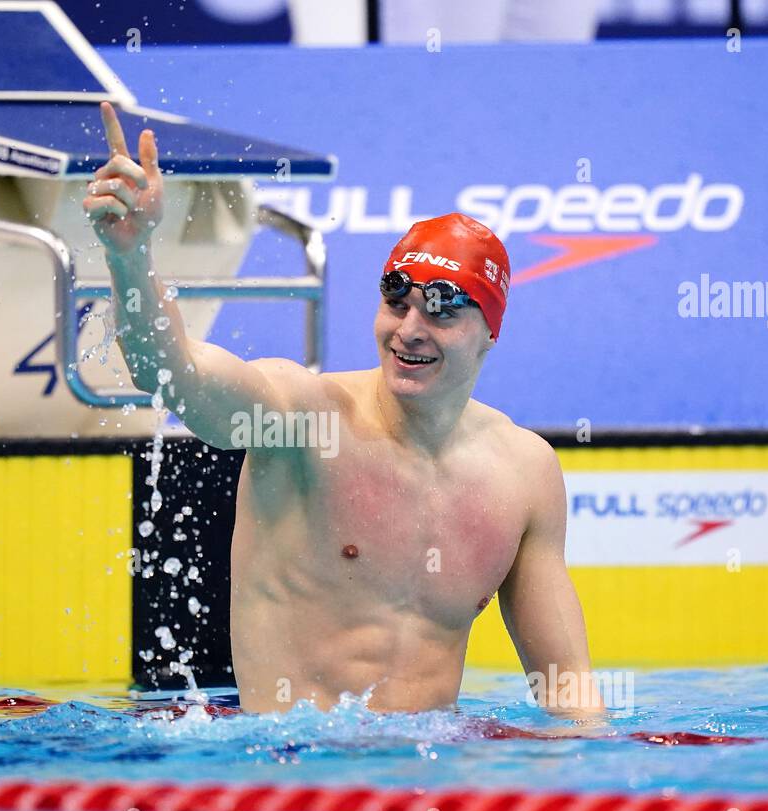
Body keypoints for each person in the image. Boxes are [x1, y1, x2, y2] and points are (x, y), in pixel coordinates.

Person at [84, 102, 603, 718]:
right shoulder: (302, 418)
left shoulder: (524, 472)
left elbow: (567, 683)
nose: (409, 329)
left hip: (432, 783)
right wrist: (129, 257)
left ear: (490, 332)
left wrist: (594, 775)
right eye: (396, 302)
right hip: (293, 774)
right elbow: (174, 375)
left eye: (441, 311)